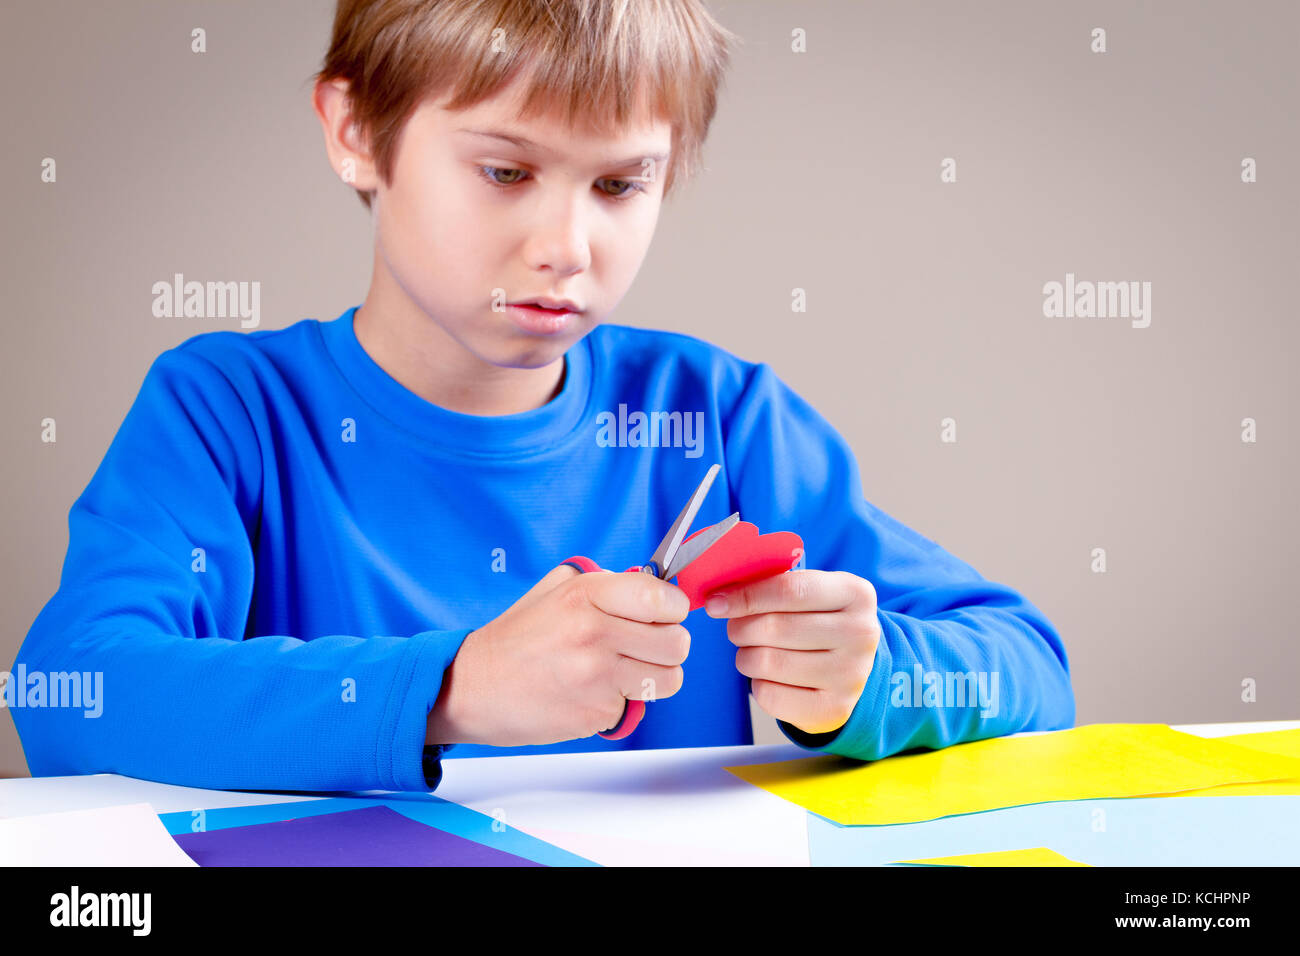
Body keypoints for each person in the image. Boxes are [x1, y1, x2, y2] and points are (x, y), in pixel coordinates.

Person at [11, 0, 1074, 793]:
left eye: (620, 184)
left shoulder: (718, 415)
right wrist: (452, 688)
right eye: (505, 172)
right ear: (353, 131)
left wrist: (868, 680)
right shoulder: (229, 411)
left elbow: (1032, 668)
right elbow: (74, 689)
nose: (567, 248)